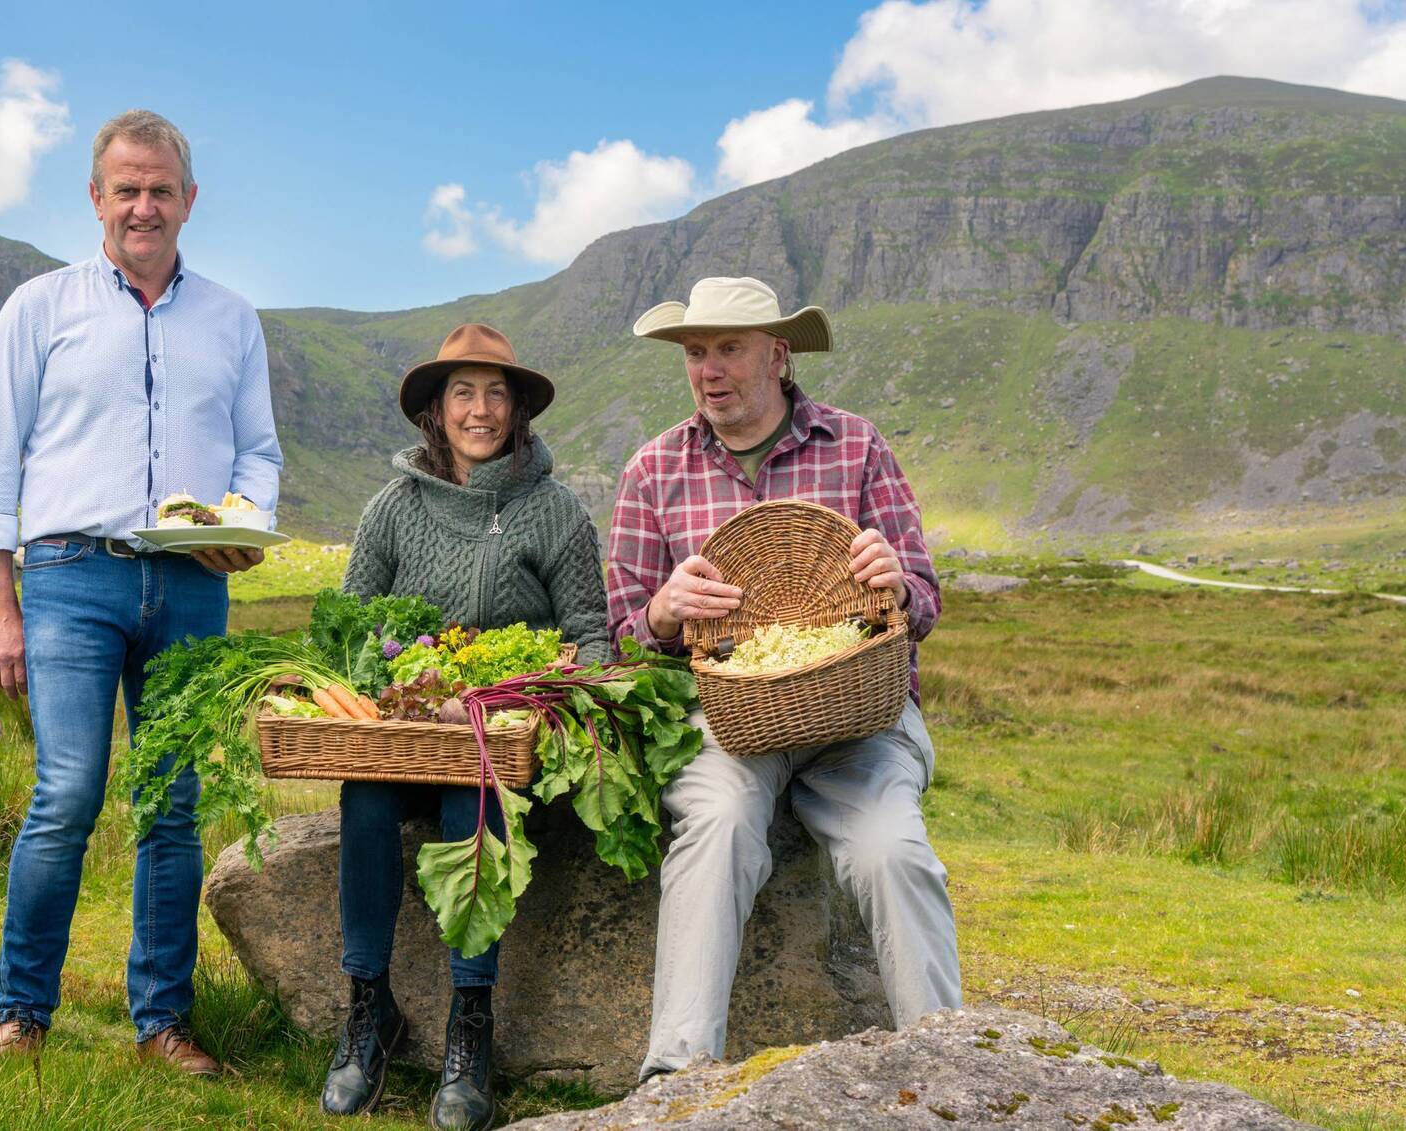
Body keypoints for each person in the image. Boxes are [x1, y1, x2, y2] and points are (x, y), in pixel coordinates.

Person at [0, 109, 282, 1073]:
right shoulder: (39, 308)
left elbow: (258, 452)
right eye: (126, 188)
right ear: (96, 199)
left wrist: (245, 523)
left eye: (161, 188)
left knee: (174, 803)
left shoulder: (233, 319)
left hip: (191, 583)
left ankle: (163, 1023)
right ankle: (22, 1012)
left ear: (189, 199)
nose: (144, 205)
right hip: (67, 576)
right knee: (66, 794)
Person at [604, 276, 961, 1080]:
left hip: (860, 724)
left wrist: (898, 583)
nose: (710, 369)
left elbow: (928, 601)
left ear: (779, 352)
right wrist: (662, 612)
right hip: (730, 725)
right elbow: (617, 639)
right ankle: (679, 1078)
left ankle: (948, 1070)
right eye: (696, 352)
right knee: (721, 822)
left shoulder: (858, 446)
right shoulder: (654, 469)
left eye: (729, 348)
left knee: (892, 851)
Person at [322, 323, 609, 1131]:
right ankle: (368, 1006)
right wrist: (407, 690)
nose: (479, 409)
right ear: (436, 410)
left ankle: (469, 1022)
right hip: (409, 732)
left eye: (494, 392)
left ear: (516, 407)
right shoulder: (393, 508)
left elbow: (591, 635)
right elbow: (349, 630)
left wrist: (535, 698)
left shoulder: (553, 511)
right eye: (462, 392)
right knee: (365, 797)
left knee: (470, 799)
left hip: (501, 741)